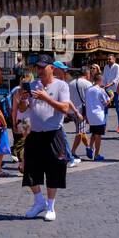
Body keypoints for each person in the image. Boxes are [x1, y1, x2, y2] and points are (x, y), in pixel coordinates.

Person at [14, 58, 74, 222]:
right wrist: (23, 100)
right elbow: (23, 109)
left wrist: (46, 97)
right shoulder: (32, 86)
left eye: (42, 68)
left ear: (51, 68)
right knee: (30, 170)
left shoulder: (62, 85)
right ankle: (39, 201)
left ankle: (50, 206)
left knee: (54, 169)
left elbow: (65, 108)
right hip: (34, 133)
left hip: (54, 133)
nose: (39, 71)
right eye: (37, 68)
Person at [82, 68, 109, 161]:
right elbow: (106, 102)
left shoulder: (88, 90)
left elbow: (85, 102)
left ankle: (89, 147)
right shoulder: (100, 90)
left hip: (90, 115)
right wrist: (112, 96)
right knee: (98, 136)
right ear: (100, 80)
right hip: (99, 115)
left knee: (94, 133)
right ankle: (97, 155)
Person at [101, 54, 119, 131]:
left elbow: (117, 79)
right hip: (107, 90)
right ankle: (104, 126)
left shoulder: (117, 67)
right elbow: (104, 78)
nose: (108, 60)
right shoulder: (106, 67)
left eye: (110, 59)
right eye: (107, 59)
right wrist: (103, 86)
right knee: (105, 107)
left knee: (118, 108)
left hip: (115, 89)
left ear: (114, 59)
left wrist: (109, 84)